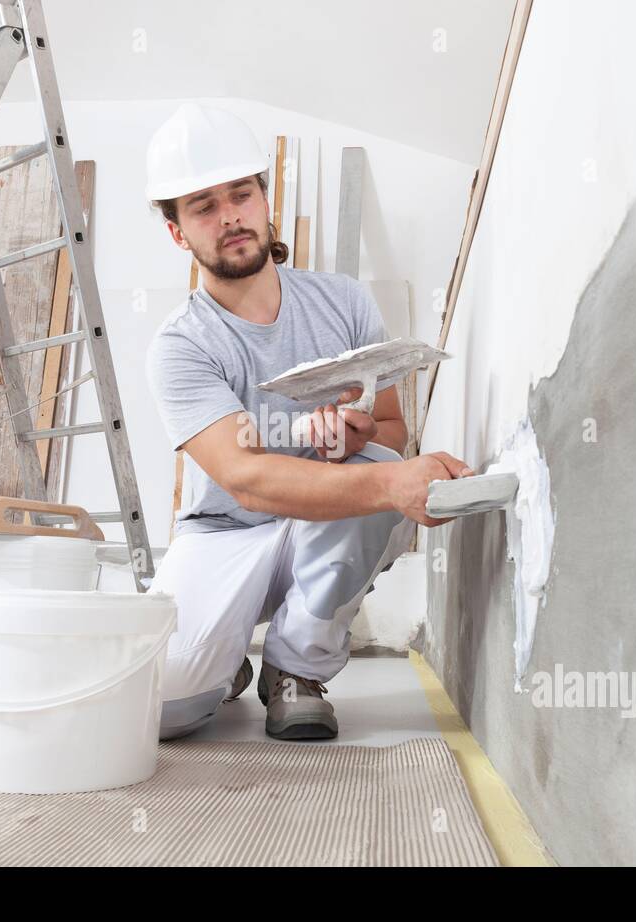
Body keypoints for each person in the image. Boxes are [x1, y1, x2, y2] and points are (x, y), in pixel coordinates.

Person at [144, 103, 471, 740]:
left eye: (240, 194)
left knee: (381, 466)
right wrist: (388, 484)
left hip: (321, 525)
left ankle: (294, 669)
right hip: (224, 533)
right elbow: (242, 478)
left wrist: (359, 436)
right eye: (203, 206)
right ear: (179, 232)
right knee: (163, 708)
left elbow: (392, 429)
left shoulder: (344, 301)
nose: (229, 215)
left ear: (265, 200)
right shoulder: (182, 345)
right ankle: (222, 666)